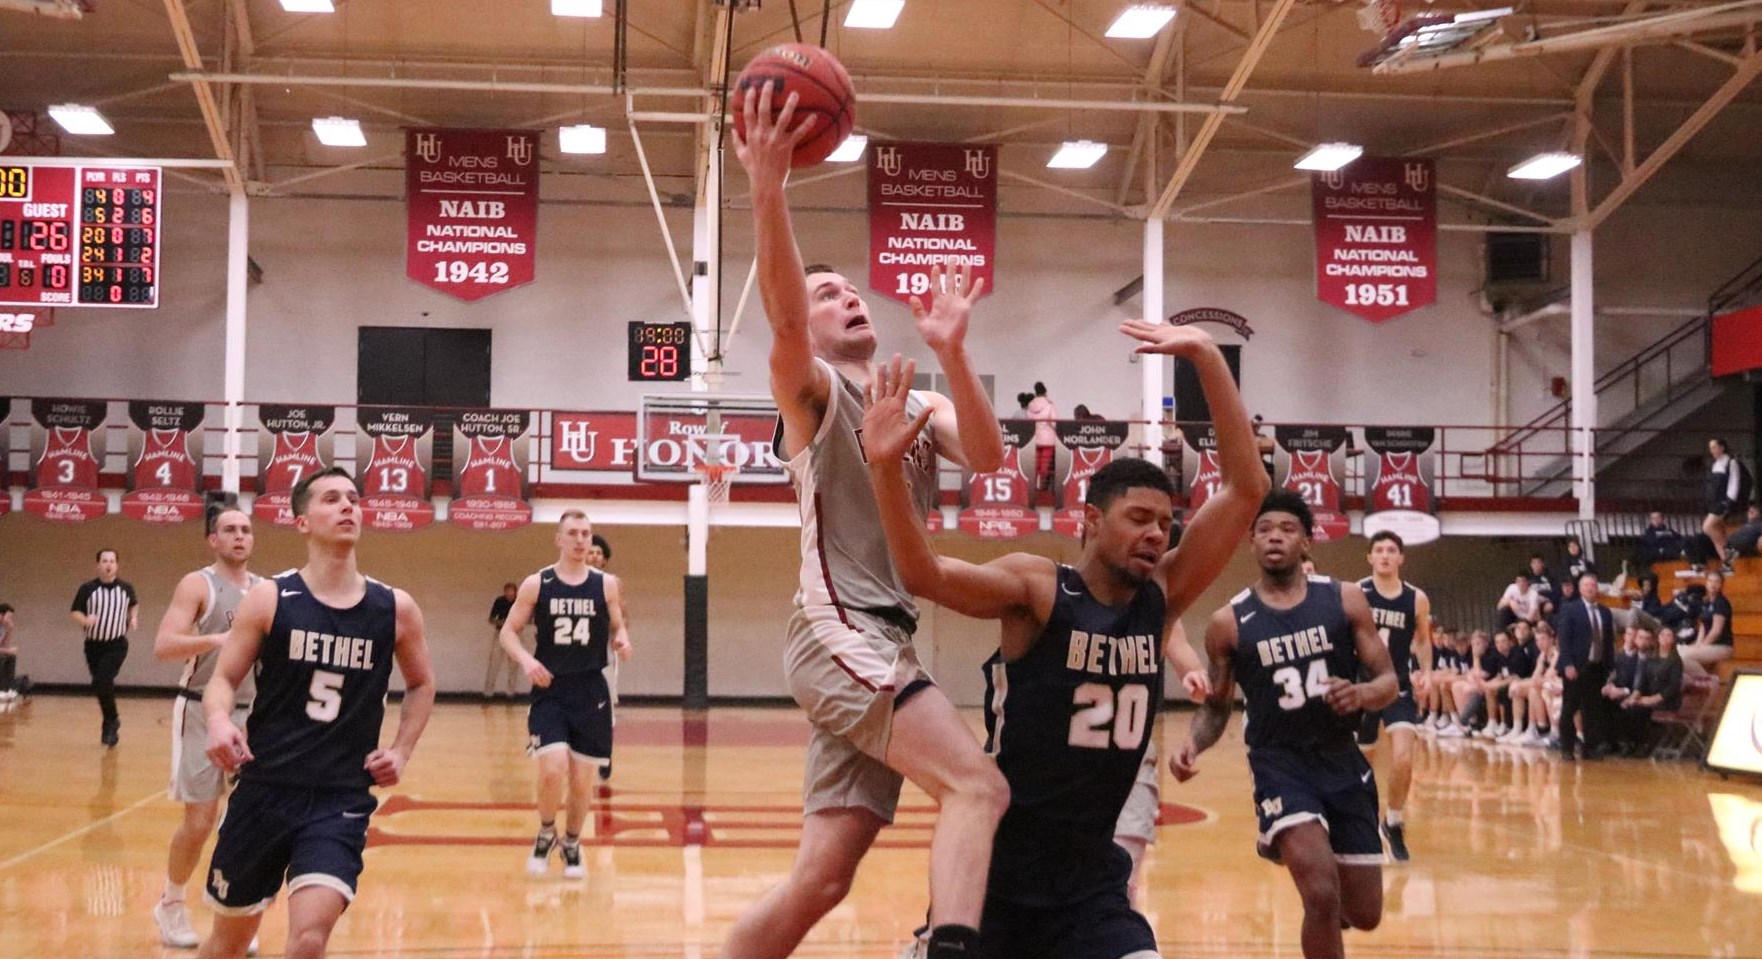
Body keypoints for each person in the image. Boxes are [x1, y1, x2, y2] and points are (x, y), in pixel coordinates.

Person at [864, 317, 1262, 959]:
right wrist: (885, 471)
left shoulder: (1164, 593)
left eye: (1166, 522)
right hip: (996, 881)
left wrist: (1208, 359)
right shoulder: (1037, 588)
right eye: (1139, 518)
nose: (1158, 533)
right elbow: (924, 573)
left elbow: (1247, 489)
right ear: (1091, 520)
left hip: (1089, 890)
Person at [725, 81, 1010, 959]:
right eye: (826, 292)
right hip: (838, 630)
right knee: (979, 788)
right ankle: (949, 948)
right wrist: (768, 190)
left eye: (852, 288)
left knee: (823, 876)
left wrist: (953, 353)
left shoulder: (912, 399)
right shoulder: (810, 391)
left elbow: (993, 458)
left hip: (883, 635)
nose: (846, 296)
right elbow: (779, 314)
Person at [198, 468, 435, 959]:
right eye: (331, 499)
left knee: (309, 938)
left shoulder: (394, 608)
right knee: (228, 943)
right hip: (263, 789)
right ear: (302, 521)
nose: (348, 506)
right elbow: (222, 679)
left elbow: (421, 683)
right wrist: (220, 721)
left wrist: (401, 750)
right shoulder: (271, 599)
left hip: (339, 797)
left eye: (353, 498)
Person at [1173, 490, 1398, 959]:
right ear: (1250, 544)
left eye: (1287, 529)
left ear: (1307, 544)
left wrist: (1359, 693)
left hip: (1341, 760)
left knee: (1365, 913)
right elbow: (1217, 705)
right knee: (1318, 891)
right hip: (1280, 764)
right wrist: (1193, 744)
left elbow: (1388, 681)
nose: (1275, 536)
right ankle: (1290, 838)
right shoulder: (1228, 623)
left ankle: (1320, 900)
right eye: (1264, 530)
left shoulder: (1345, 600)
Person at [497, 510, 631, 878]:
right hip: (550, 689)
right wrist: (526, 661)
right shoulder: (537, 583)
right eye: (572, 533)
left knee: (582, 780)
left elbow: (618, 625)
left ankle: (571, 842)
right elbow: (508, 632)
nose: (579, 539)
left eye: (585, 533)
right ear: (558, 539)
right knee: (552, 769)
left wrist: (622, 638)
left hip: (591, 690)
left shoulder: (605, 585)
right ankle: (544, 833)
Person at [152, 508, 263, 951]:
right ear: (212, 539)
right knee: (200, 821)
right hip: (200, 708)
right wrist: (219, 641)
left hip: (252, 713)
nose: (240, 536)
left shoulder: (264, 591)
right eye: (230, 530)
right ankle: (171, 903)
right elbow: (164, 646)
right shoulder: (197, 584)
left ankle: (233, 913)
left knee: (248, 820)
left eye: (246, 530)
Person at [1355, 531, 1432, 862]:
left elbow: (1424, 640)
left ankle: (1395, 821)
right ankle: (1363, 824)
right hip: (1362, 686)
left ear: (1401, 558)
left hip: (1398, 685)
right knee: (1363, 764)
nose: (1385, 555)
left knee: (1403, 756)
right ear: (1370, 558)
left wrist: (1426, 672)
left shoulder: (1416, 598)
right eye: (1379, 550)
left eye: (1391, 550)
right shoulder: (1356, 592)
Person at [70, 548, 139, 746]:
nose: (108, 564)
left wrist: (133, 617)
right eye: (104, 561)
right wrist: (85, 620)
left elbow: (134, 604)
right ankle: (111, 719)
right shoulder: (87, 588)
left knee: (103, 679)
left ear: (117, 565)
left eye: (112, 561)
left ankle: (110, 722)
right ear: (98, 565)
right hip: (93, 646)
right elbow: (74, 612)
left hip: (116, 645)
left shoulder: (126, 588)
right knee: (100, 685)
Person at [1556, 571, 1617, 761]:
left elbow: (1608, 642)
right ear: (1580, 589)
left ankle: (1590, 748)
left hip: (1596, 666)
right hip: (1576, 667)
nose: (1591, 588)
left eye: (1593, 585)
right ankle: (1567, 746)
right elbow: (1563, 640)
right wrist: (1567, 664)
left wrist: (1609, 666)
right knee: (1570, 707)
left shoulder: (1605, 612)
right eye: (1587, 585)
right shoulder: (1570, 609)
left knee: (1592, 709)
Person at [589, 532, 633, 782]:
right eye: (591, 552)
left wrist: (621, 635)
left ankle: (605, 754)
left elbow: (623, 615)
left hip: (603, 650)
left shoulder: (612, 583)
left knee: (605, 704)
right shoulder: (570, 580)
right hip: (576, 651)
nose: (594, 556)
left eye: (599, 553)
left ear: (605, 560)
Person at [1702, 438, 1750, 571]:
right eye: (1710, 448)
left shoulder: (1731, 462)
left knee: (1707, 527)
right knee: (1716, 532)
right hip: (1714, 501)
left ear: (1722, 447)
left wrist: (1728, 502)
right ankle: (1726, 562)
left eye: (1714, 447)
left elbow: (1734, 483)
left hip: (1724, 502)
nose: (1712, 451)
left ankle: (1730, 548)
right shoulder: (1715, 464)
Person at [1681, 569, 1734, 678]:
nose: (1713, 585)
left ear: (1721, 584)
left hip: (1722, 645)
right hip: (1709, 644)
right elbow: (1703, 626)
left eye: (1716, 582)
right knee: (1676, 651)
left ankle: (1707, 682)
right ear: (1706, 583)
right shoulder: (1706, 602)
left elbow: (1716, 631)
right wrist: (1697, 644)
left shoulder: (1721, 603)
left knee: (1685, 657)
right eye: (1710, 581)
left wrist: (1703, 645)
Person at [484, 583, 520, 699]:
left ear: (515, 592)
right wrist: (503, 623)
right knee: (494, 662)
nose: (509, 594)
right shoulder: (499, 601)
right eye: (507, 591)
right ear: (504, 592)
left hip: (515, 634)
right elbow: (491, 619)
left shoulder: (520, 601)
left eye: (512, 592)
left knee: (514, 665)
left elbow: (529, 618)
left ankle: (511, 693)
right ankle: (488, 693)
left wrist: (517, 623)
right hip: (501, 633)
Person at [1026, 381, 1059, 493]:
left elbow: (1028, 421)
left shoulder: (1030, 405)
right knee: (1045, 465)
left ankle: (1034, 486)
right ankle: (1042, 489)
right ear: (1045, 391)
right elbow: (1054, 422)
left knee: (1035, 464)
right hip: (1048, 439)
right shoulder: (1050, 405)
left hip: (1034, 438)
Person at [0, 603, 17, 701]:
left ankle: (8, 688)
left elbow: (3, 646)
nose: (10, 619)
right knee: (2, 657)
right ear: (1, 615)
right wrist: (8, 650)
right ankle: (0, 688)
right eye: (9, 616)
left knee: (11, 657)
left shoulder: (2, 627)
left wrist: (9, 630)